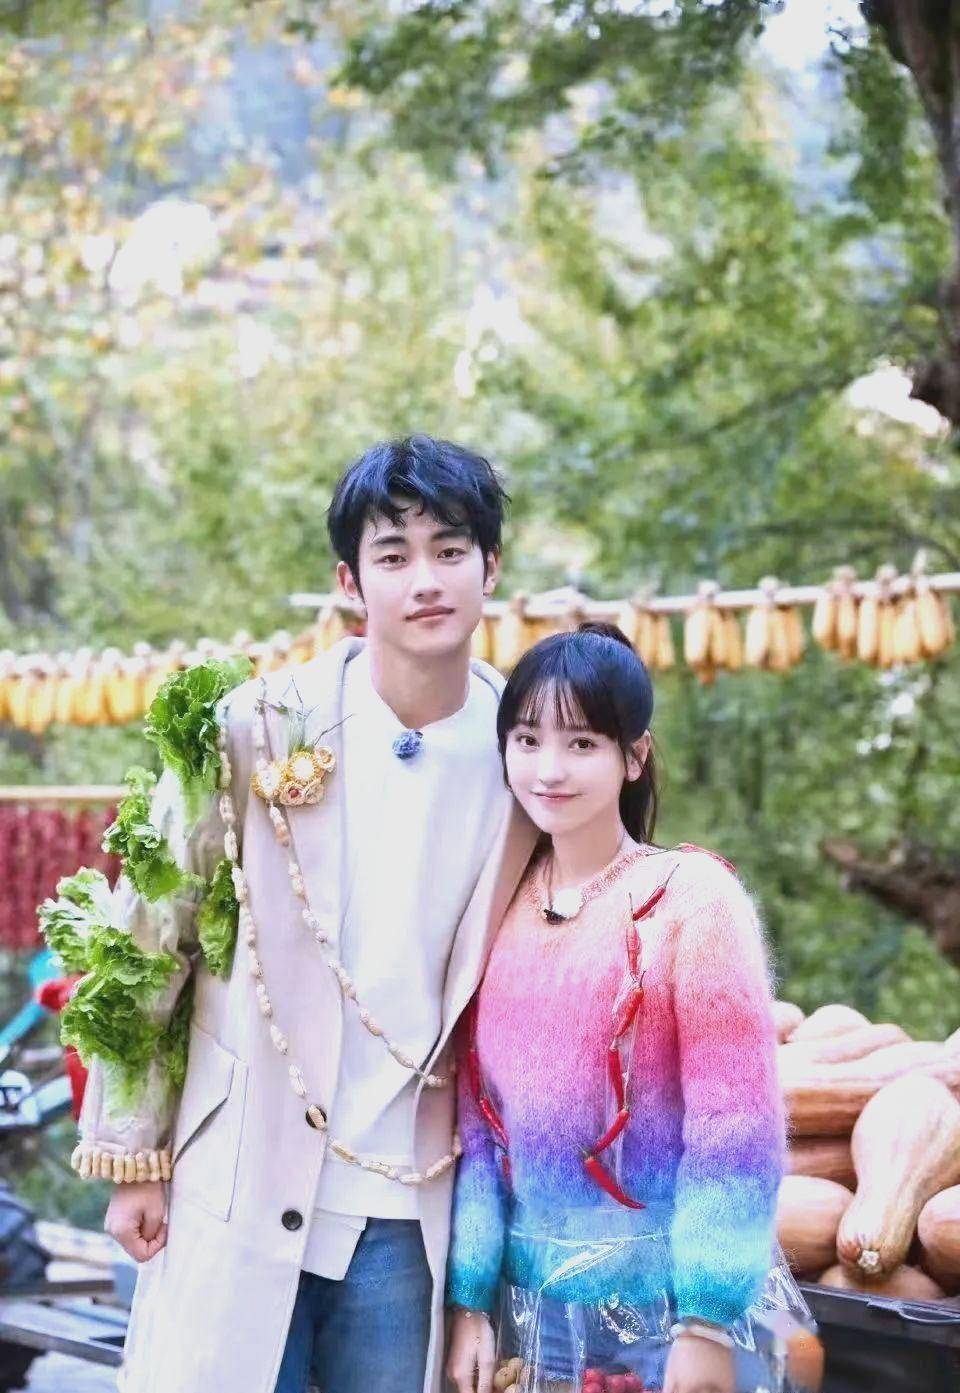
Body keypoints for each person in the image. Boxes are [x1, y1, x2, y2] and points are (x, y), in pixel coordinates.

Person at [44, 435, 539, 1393]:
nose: (425, 579)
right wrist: (133, 1155)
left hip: (408, 1202)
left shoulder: (527, 753)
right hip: (239, 1168)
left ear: (491, 567)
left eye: (450, 550)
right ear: (350, 581)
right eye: (393, 554)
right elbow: (150, 937)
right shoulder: (255, 723)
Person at [445, 624, 812, 1393]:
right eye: (527, 739)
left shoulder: (692, 901)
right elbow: (477, 1127)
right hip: (528, 1318)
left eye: (581, 743)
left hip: (670, 1313)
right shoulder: (494, 906)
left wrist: (705, 1323)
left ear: (633, 756)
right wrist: (469, 1299)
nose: (549, 769)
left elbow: (735, 1127)